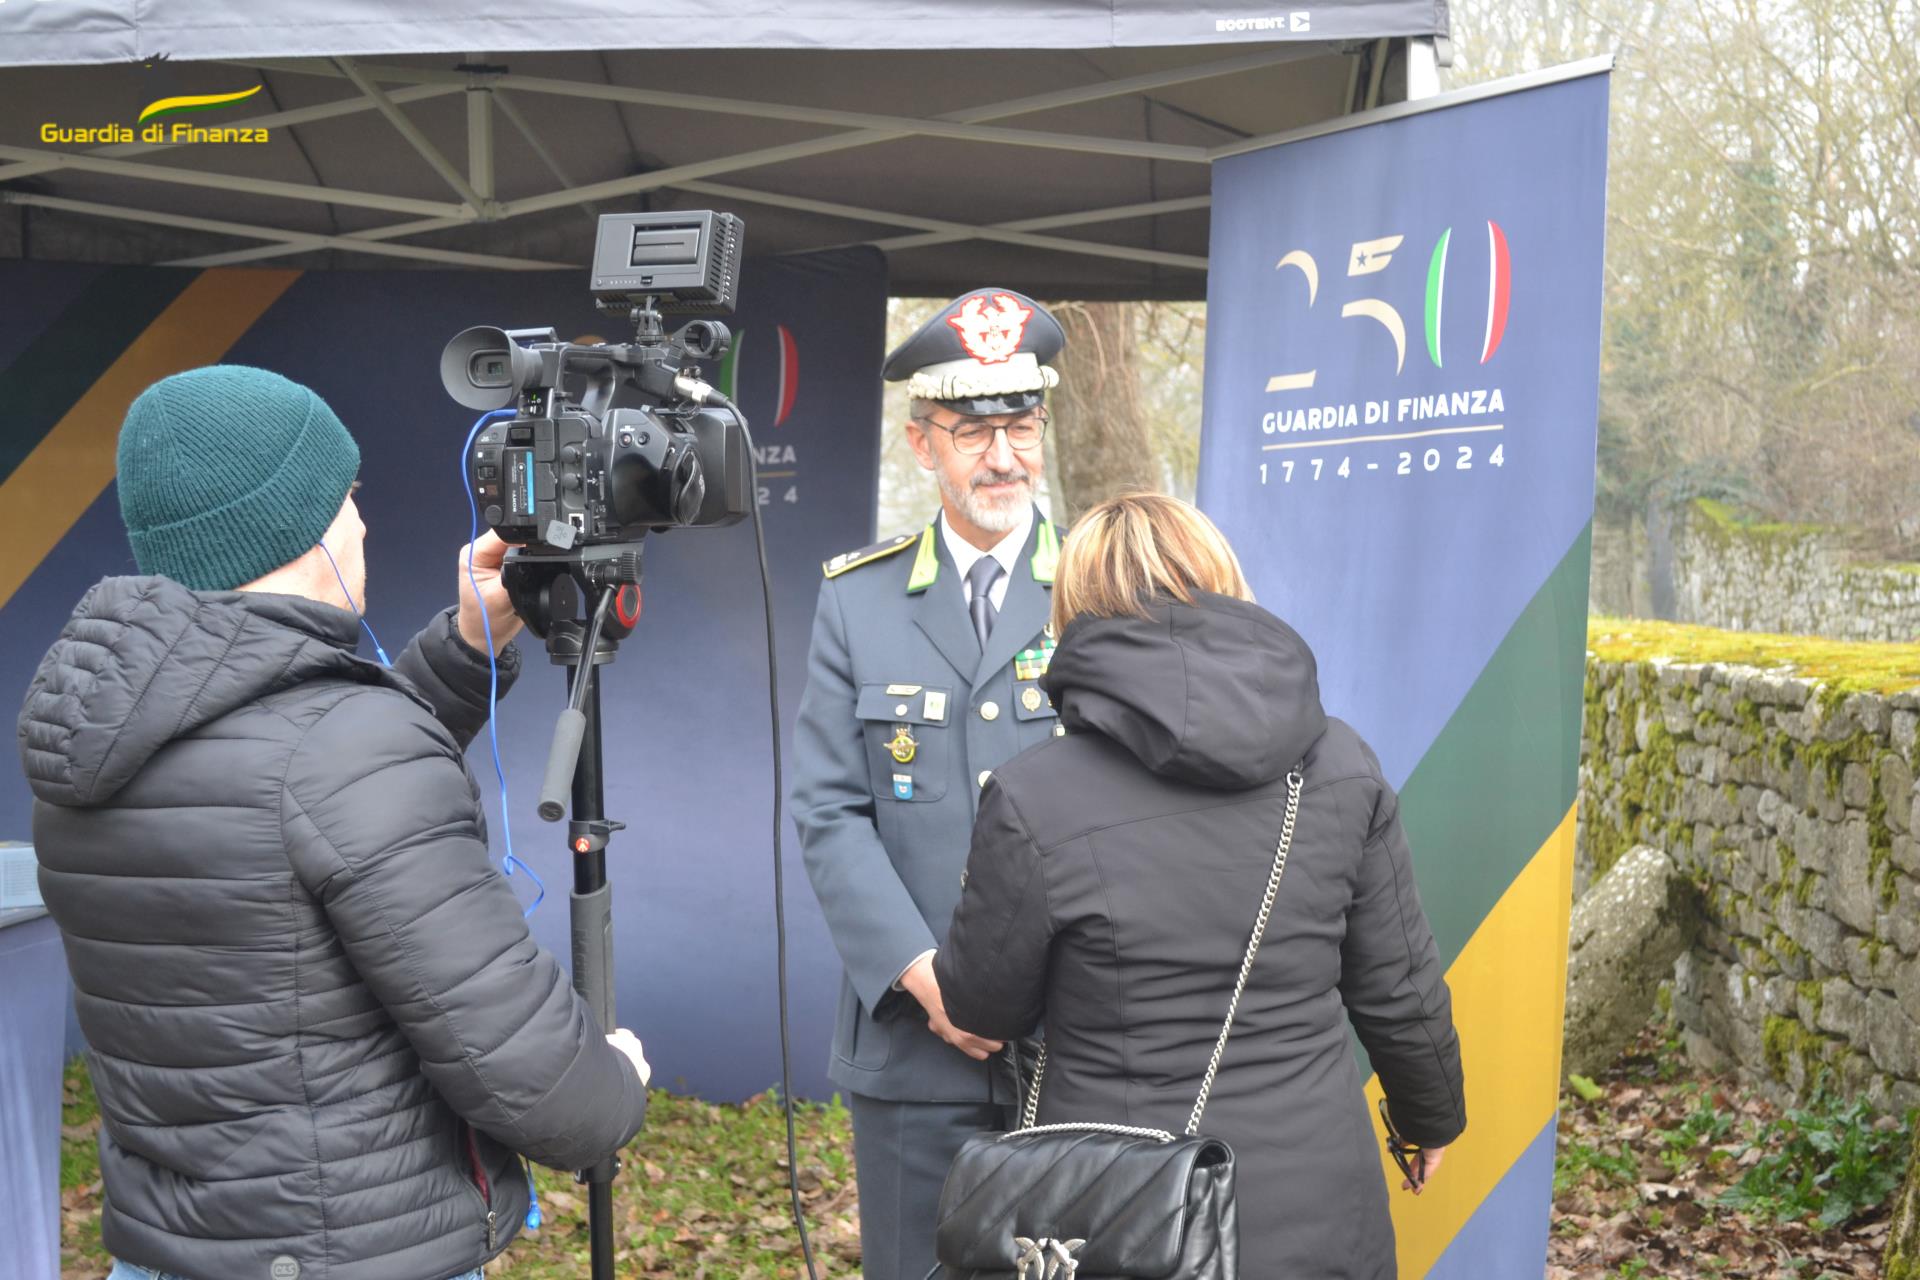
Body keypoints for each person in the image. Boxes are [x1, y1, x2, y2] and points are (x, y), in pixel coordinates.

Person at [17, 365, 653, 1280]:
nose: (362, 519)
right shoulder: (341, 750)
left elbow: (289, 787)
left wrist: (470, 643)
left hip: (171, 1252)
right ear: (303, 525)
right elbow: (533, 1076)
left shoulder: (102, 725)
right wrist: (614, 1082)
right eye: (348, 495)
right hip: (352, 1255)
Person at [934, 492, 1467, 1280]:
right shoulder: (1343, 764)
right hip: (1317, 1202)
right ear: (1223, 582)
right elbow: (1400, 991)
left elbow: (984, 1008)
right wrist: (1431, 1119)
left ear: (1073, 614)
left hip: (1115, 1212)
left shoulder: (1030, 794)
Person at [791, 288, 1072, 1280]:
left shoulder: (1098, 589)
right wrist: (928, 978)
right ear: (923, 445)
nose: (1003, 455)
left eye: (1022, 425)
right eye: (973, 431)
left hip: (1076, 1033)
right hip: (914, 1047)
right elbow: (827, 808)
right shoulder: (856, 601)